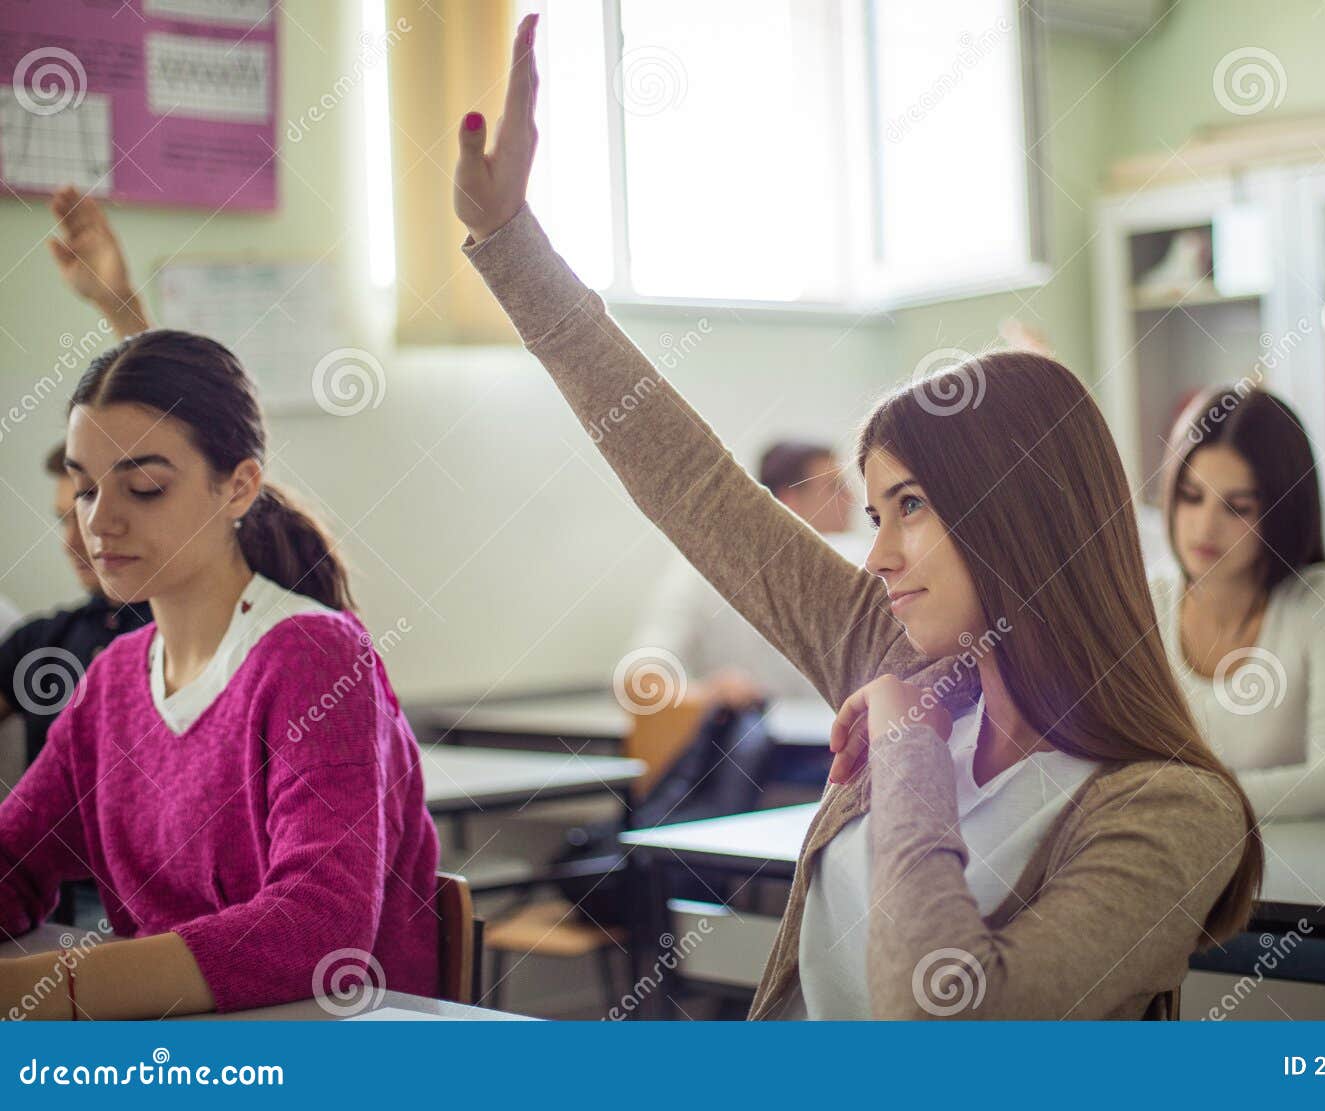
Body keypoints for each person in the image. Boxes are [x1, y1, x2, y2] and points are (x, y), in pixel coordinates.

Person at [451, 15, 1261, 1020]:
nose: (874, 554)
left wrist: (906, 737)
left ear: (1017, 516)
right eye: (875, 509)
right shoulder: (891, 647)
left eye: (910, 507)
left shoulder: (1171, 809)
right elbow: (693, 486)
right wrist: (509, 243)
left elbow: (943, 1022)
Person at [0, 330, 440, 1019]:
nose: (101, 521)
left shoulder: (317, 660)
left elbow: (316, 929)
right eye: (85, 490)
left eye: (144, 486)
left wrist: (55, 986)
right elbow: (14, 860)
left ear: (238, 487)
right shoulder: (113, 679)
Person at [1154, 386, 1325, 821]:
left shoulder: (1323, 599)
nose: (1204, 528)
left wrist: (1184, 802)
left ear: (1281, 512)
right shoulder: (1144, 604)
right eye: (1191, 497)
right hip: (1201, 872)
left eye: (1236, 508)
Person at [0, 187, 155, 767]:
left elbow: (171, 421)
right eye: (63, 518)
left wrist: (122, 309)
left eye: (88, 507)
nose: (77, 538)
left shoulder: (186, 629)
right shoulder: (45, 642)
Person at [631, 440, 868, 708]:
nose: (852, 500)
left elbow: (640, 682)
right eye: (835, 489)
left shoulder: (862, 564)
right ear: (788, 501)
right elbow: (641, 674)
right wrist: (708, 694)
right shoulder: (700, 572)